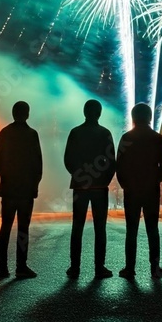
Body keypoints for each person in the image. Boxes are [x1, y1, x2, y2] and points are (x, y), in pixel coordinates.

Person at [115, 103, 162, 279]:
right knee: (152, 229)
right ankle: (155, 268)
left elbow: (119, 165)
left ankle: (129, 268)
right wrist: (156, 178)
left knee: (131, 230)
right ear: (150, 117)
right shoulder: (157, 138)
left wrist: (125, 184)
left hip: (131, 190)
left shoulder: (126, 138)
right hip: (151, 189)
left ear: (133, 118)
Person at [63, 99, 116, 279]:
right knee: (100, 228)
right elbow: (111, 162)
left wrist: (79, 175)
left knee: (77, 226)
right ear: (99, 113)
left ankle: (75, 267)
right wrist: (105, 180)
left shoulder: (75, 132)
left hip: (80, 186)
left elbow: (68, 159)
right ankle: (99, 267)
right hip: (100, 187)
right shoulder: (105, 133)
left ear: (84, 112)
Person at [0, 100, 43, 279]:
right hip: (26, 191)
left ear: (13, 113)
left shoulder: (4, 133)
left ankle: (2, 268)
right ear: (27, 114)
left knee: (5, 228)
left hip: (8, 189)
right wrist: (34, 185)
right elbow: (37, 164)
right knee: (23, 230)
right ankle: (21, 267)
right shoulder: (32, 134)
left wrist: (6, 177)